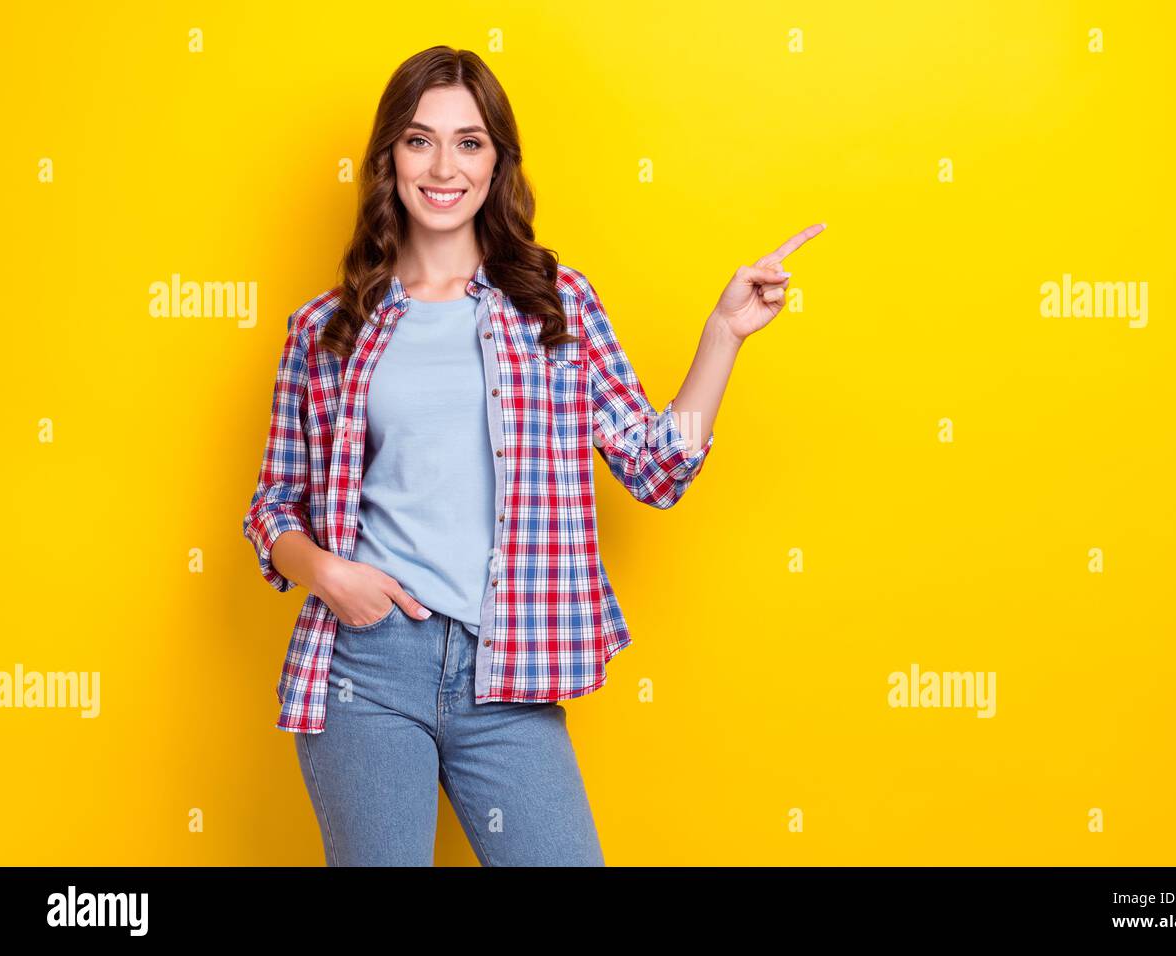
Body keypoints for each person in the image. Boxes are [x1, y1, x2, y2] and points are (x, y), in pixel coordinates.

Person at [241, 44, 824, 867]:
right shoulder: (328, 327)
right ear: (388, 160)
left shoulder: (553, 305)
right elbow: (274, 508)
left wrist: (723, 334)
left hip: (509, 668)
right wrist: (327, 573)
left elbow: (657, 468)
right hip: (364, 669)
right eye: (420, 140)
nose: (444, 165)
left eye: (470, 142)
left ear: (497, 162)